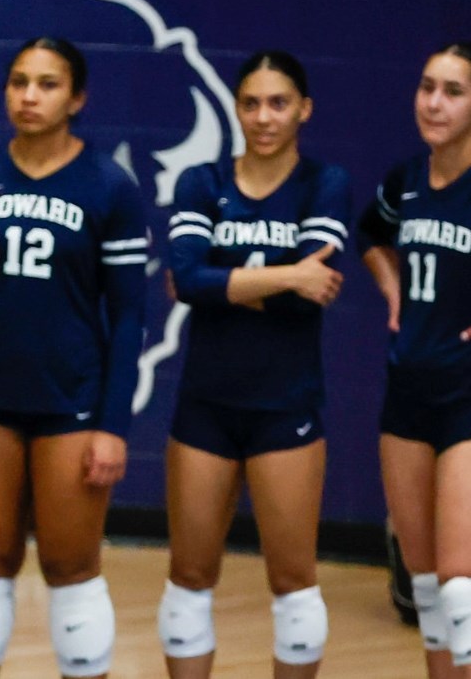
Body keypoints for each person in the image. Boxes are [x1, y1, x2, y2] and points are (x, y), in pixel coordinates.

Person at [0, 37, 147, 679]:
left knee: (72, 571)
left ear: (77, 97)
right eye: (19, 81)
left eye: (48, 84)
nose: (29, 95)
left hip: (72, 405)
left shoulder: (110, 187)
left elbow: (129, 315)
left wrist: (113, 425)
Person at [161, 51, 348, 679]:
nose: (263, 117)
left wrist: (225, 280)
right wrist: (287, 272)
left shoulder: (325, 184)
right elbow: (187, 280)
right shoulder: (200, 180)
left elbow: (307, 287)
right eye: (251, 103)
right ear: (236, 107)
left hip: (285, 407)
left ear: (304, 110)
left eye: (278, 103)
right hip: (205, 406)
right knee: (188, 578)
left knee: (294, 583)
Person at [357, 42, 471, 679]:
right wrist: (392, 287)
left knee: (461, 587)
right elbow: (370, 234)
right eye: (428, 86)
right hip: (408, 390)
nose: (434, 102)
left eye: (453, 91)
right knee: (425, 588)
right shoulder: (406, 181)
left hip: (466, 396)